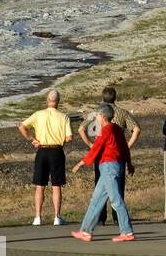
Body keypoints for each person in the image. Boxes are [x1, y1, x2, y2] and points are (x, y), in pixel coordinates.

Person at [70, 103, 135, 242]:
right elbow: (124, 148)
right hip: (114, 166)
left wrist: (81, 163)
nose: (97, 118)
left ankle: (127, 232)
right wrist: (129, 163)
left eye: (98, 115)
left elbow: (96, 148)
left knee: (116, 200)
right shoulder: (117, 128)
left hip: (109, 167)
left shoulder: (106, 130)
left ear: (103, 116)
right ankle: (86, 231)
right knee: (96, 200)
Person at [78, 86, 140, 229]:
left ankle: (100, 217)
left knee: (100, 186)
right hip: (117, 154)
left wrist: (90, 144)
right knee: (117, 187)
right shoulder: (123, 113)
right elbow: (136, 129)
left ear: (102, 98)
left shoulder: (96, 113)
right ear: (115, 98)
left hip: (101, 154)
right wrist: (127, 145)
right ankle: (117, 218)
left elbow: (81, 128)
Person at [17, 88, 73, 227]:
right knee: (56, 185)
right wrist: (62, 142)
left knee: (40, 185)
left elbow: (22, 126)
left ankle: (37, 217)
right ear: (58, 102)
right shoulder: (63, 116)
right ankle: (56, 216)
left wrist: (32, 139)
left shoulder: (38, 114)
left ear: (47, 101)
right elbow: (69, 137)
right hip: (56, 151)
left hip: (42, 151)